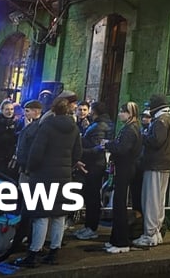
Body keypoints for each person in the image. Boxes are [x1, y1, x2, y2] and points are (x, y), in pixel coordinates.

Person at [13, 97, 81, 267]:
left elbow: (37, 152)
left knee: (41, 216)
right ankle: (53, 252)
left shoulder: (47, 127)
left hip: (43, 175)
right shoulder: (74, 128)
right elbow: (77, 153)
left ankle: (33, 253)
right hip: (64, 176)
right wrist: (68, 166)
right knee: (59, 216)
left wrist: (30, 168)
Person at [133, 95, 170, 248]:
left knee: (151, 200)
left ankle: (149, 234)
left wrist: (143, 136)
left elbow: (156, 141)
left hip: (155, 164)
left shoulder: (160, 121)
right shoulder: (168, 118)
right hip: (163, 164)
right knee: (159, 200)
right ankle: (155, 232)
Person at [103, 101, 142, 254]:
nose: (120, 114)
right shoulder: (131, 128)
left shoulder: (130, 130)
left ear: (130, 113)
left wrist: (108, 145)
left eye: (122, 111)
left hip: (125, 168)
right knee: (118, 204)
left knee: (120, 205)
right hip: (126, 167)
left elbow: (122, 149)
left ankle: (121, 242)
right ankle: (115, 239)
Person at [73, 101, 112, 240]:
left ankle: (91, 227)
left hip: (94, 166)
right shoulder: (96, 125)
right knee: (90, 196)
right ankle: (88, 226)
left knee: (92, 197)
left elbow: (97, 148)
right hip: (94, 165)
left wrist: (80, 151)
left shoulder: (98, 126)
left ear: (94, 111)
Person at [13, 99, 44, 248]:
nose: (25, 113)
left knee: (28, 205)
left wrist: (25, 165)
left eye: (28, 110)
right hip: (26, 169)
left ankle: (24, 237)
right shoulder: (30, 126)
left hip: (29, 171)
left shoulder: (37, 127)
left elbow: (31, 149)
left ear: (36, 111)